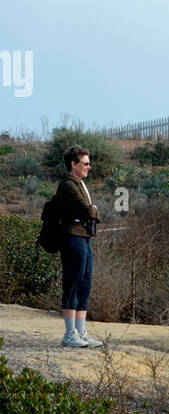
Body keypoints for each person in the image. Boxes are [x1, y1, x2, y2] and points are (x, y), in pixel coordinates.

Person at [54, 145, 102, 348]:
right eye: (85, 163)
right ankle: (69, 333)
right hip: (72, 237)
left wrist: (92, 211)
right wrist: (94, 211)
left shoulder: (80, 184)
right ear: (73, 164)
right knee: (73, 282)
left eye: (89, 163)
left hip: (84, 236)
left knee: (85, 283)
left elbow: (89, 211)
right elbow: (88, 211)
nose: (88, 167)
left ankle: (81, 331)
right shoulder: (68, 185)